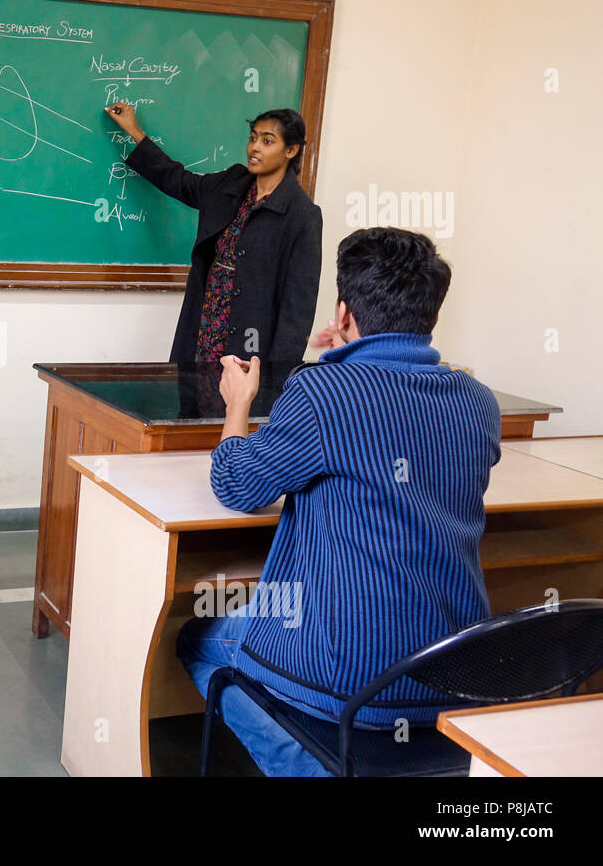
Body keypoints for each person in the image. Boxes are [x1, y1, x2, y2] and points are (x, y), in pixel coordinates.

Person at [176, 227, 501, 776]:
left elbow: (239, 485)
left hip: (348, 674)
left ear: (343, 314)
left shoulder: (321, 392)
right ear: (433, 318)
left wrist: (238, 407)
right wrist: (338, 365)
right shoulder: (477, 401)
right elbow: (388, 440)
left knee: (197, 639)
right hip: (454, 669)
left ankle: (314, 765)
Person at [106, 104, 321, 364]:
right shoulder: (230, 184)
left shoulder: (301, 214)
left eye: (267, 141)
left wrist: (274, 377)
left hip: (250, 346)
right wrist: (135, 132)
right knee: (191, 401)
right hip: (204, 328)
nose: (254, 147)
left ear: (291, 150)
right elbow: (179, 180)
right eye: (253, 138)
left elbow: (298, 310)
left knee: (237, 405)